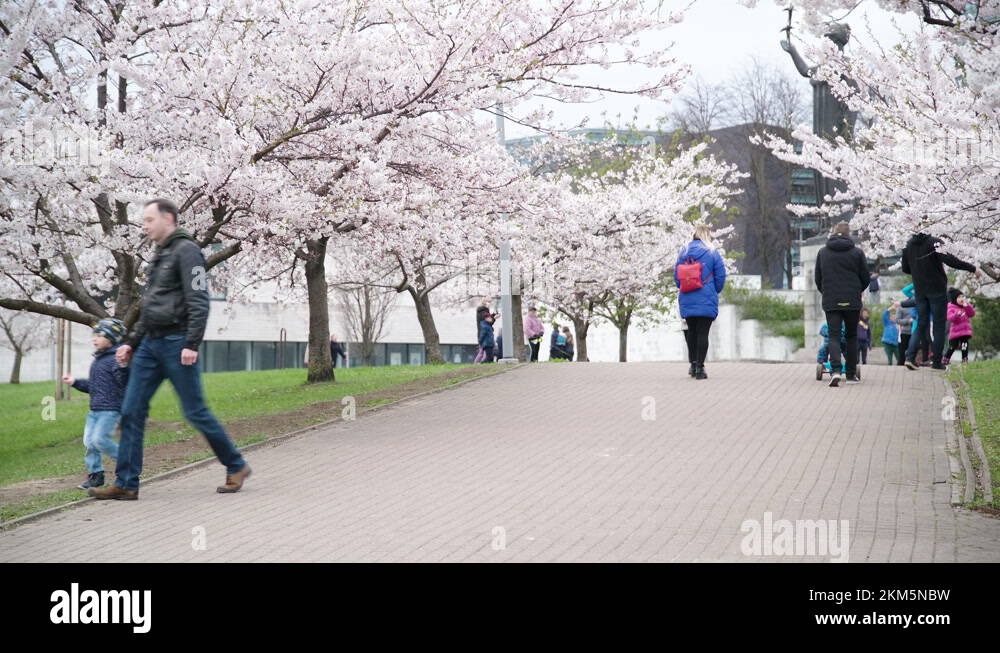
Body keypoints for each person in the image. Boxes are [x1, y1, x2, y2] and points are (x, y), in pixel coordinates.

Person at [90, 199, 251, 500]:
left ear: (169, 219)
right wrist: (130, 343)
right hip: (150, 344)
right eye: (145, 220)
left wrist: (192, 342)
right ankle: (126, 483)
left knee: (195, 411)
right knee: (131, 410)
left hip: (177, 344)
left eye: (150, 220)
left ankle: (236, 464)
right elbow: (149, 306)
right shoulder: (159, 254)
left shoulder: (189, 251)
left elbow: (199, 299)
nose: (145, 225)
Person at [63, 318, 130, 490]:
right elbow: (93, 387)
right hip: (95, 410)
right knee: (89, 442)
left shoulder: (116, 359)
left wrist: (123, 366)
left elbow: (124, 382)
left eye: (99, 335)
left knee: (99, 440)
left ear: (111, 338)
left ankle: (127, 465)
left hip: (111, 409)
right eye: (94, 335)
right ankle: (96, 475)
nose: (95, 338)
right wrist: (75, 382)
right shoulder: (98, 360)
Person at [901, 232, 981, 370]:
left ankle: (909, 358)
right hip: (937, 289)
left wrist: (918, 270)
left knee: (921, 324)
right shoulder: (935, 242)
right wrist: (972, 268)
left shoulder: (908, 245)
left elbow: (905, 268)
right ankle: (937, 362)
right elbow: (951, 261)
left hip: (920, 290)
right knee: (938, 325)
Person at [814, 221, 870, 386]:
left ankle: (836, 371)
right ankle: (851, 375)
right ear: (848, 234)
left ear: (833, 233)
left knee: (834, 335)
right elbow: (865, 277)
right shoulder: (857, 253)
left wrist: (827, 292)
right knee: (851, 336)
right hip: (852, 301)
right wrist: (856, 291)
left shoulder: (823, 252)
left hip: (831, 300)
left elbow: (818, 278)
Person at [674, 225, 726, 380]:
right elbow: (720, 276)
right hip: (706, 296)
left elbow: (677, 277)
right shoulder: (712, 252)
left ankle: (693, 363)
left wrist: (684, 287)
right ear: (707, 235)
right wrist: (713, 290)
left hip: (687, 296)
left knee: (692, 331)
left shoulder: (683, 251)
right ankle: (700, 369)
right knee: (703, 333)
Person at [944, 288, 976, 365]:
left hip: (965, 331)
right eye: (959, 297)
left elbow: (972, 314)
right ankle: (946, 358)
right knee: (952, 346)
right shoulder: (951, 307)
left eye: (962, 296)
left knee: (964, 345)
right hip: (955, 332)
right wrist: (956, 314)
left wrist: (967, 306)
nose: (961, 298)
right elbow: (950, 318)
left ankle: (964, 359)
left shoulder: (965, 306)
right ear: (954, 299)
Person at [881, 301, 901, 366]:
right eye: (892, 317)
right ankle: (890, 368)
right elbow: (884, 315)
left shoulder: (898, 324)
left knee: (899, 358)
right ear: (889, 318)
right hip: (887, 343)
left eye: (895, 317)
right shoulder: (887, 323)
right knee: (890, 359)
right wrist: (891, 308)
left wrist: (898, 308)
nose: (894, 318)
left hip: (896, 344)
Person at [473, 299, 492, 364]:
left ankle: (477, 363)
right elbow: (488, 320)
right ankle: (481, 363)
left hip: (482, 333)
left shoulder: (480, 311)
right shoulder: (484, 311)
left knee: (482, 351)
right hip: (484, 334)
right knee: (483, 351)